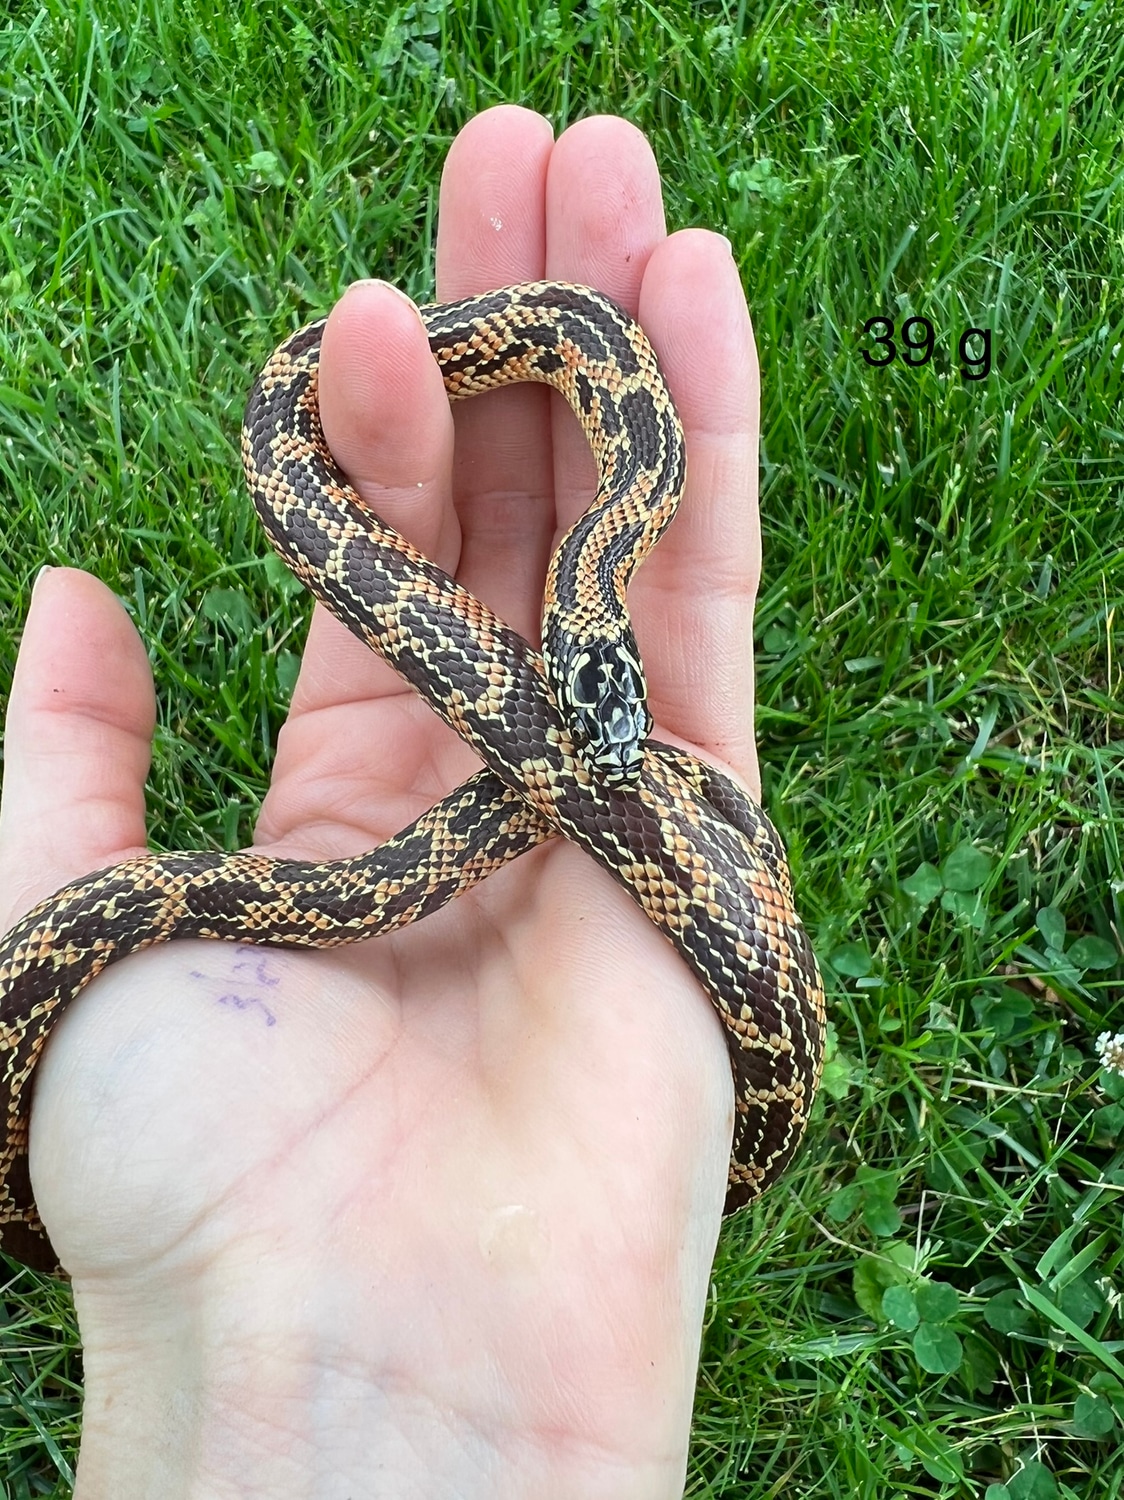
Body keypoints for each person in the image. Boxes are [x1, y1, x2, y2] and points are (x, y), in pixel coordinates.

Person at [0, 105, 764, 1497]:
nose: (587, 762)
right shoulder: (613, 511)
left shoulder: (634, 502)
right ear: (592, 644)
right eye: (591, 726)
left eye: (599, 732)